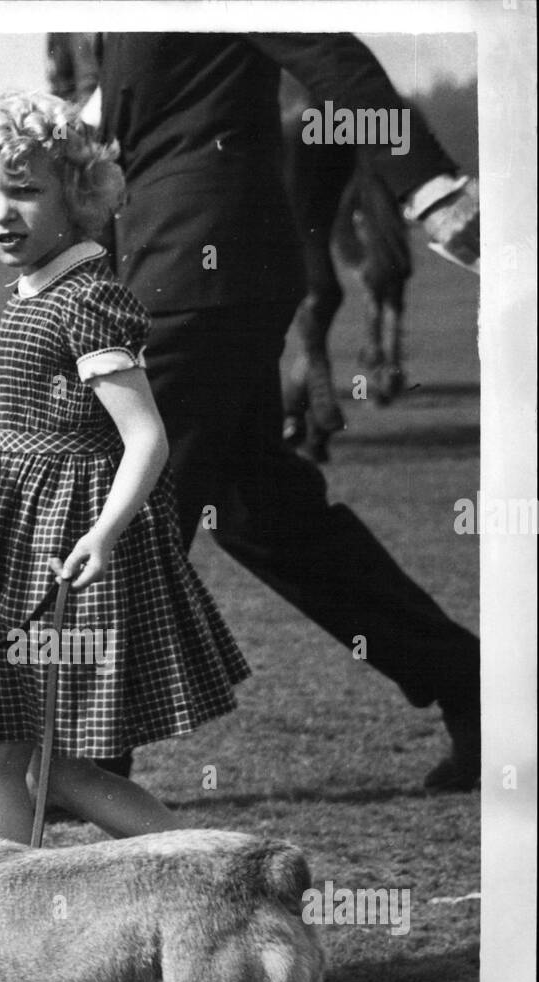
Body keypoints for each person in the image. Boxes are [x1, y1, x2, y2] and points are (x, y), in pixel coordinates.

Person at [50, 31, 481, 794]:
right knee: (262, 510)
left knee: (132, 503)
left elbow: (331, 55)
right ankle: (473, 686)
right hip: (184, 266)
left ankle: (84, 769)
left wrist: (429, 185)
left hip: (202, 267)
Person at [0, 92, 250, 843]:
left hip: (68, 543)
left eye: (25, 191)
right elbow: (44, 422)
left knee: (43, 763)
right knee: (18, 754)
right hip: (24, 535)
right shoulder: (36, 296)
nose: (2, 213)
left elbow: (145, 436)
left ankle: (207, 871)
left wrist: (105, 532)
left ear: (79, 195)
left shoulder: (85, 301)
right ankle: (20, 917)